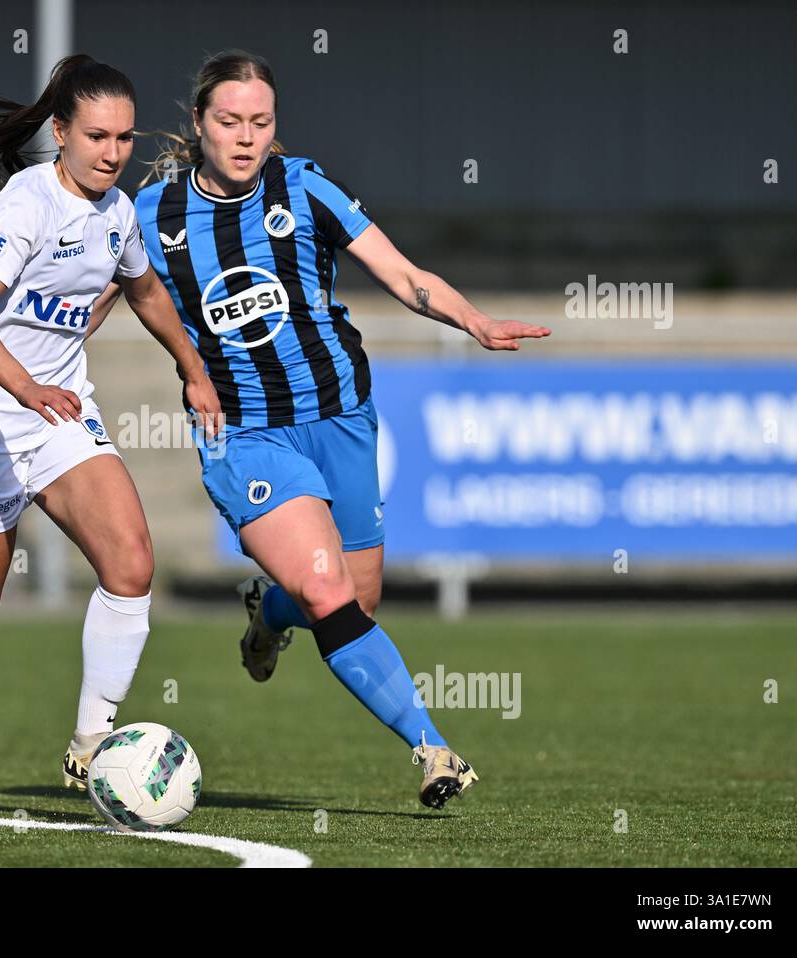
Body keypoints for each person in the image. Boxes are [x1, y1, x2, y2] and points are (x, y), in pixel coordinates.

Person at [133, 50, 551, 808]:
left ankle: (269, 613)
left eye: (261, 122)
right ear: (198, 124)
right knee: (328, 589)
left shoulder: (304, 186)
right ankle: (433, 750)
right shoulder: (151, 215)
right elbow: (102, 295)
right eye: (229, 121)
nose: (247, 136)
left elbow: (401, 275)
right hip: (248, 433)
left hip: (342, 417)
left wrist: (474, 321)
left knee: (355, 600)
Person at [0, 54, 220, 818]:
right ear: (59, 132)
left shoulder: (117, 212)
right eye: (96, 135)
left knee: (131, 563)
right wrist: (25, 386)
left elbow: (144, 288)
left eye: (124, 138)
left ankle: (92, 746)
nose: (113, 152)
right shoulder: (26, 206)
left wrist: (192, 366)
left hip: (60, 420)